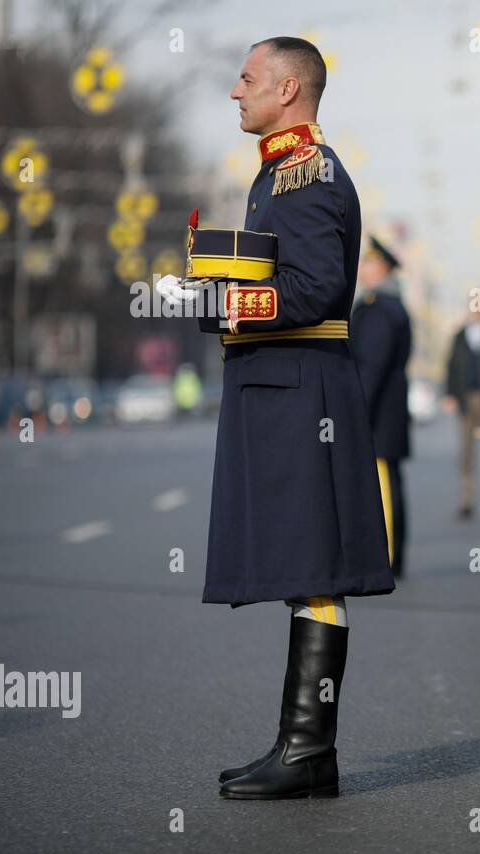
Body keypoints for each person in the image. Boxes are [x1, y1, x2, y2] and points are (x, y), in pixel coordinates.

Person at [158, 36, 393, 800]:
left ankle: (307, 750)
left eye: (248, 78)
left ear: (289, 89)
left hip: (302, 394)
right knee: (306, 570)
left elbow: (318, 290)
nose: (235, 90)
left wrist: (212, 301)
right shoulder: (280, 173)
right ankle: (302, 748)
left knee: (315, 569)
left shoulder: (306, 176)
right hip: (289, 389)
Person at [351, 235, 413, 575]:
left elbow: (370, 366)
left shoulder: (380, 308)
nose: (362, 268)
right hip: (386, 412)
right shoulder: (386, 304)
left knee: (383, 486)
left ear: (383, 268)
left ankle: (386, 556)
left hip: (379, 414)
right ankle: (385, 555)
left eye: (369, 263)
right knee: (384, 482)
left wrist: (356, 410)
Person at [444, 309, 480, 520]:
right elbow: (451, 364)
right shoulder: (461, 336)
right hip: (466, 399)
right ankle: (466, 502)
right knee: (466, 455)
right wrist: (450, 394)